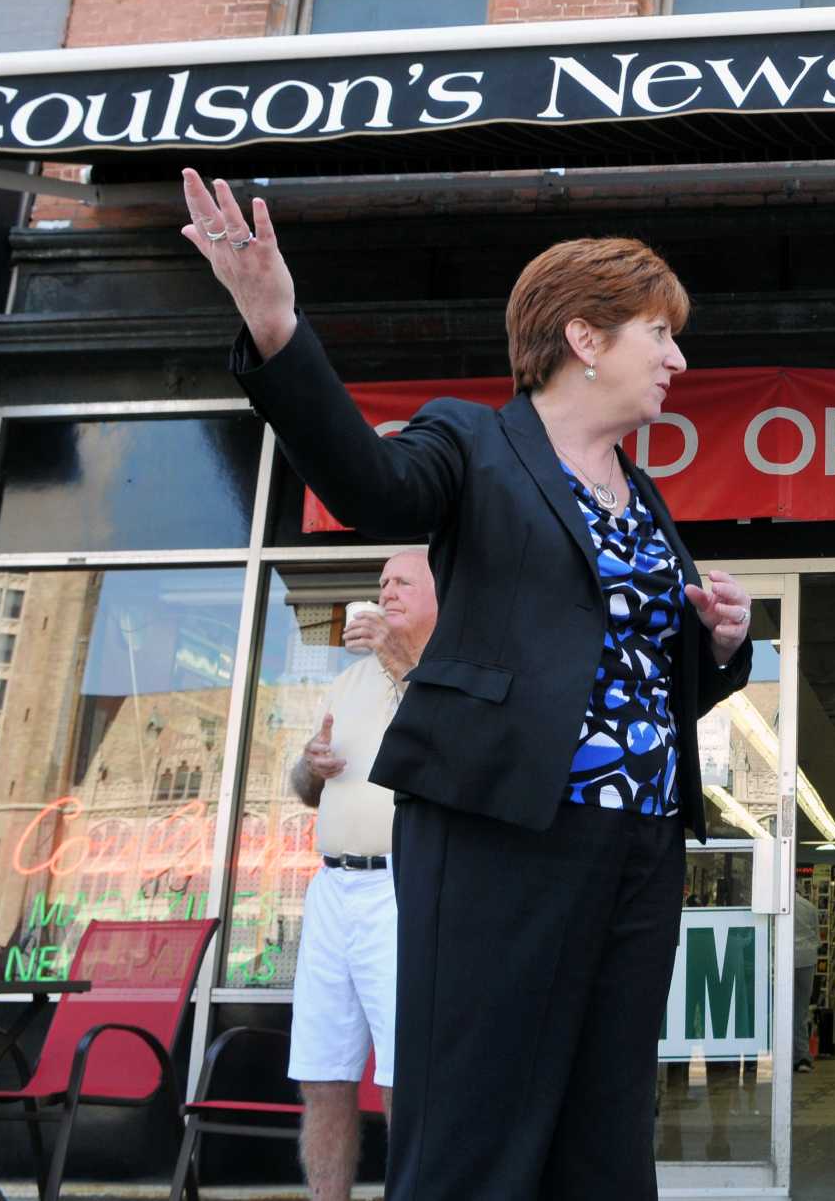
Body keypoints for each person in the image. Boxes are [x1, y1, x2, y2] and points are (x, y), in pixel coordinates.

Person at [178, 170, 755, 1199]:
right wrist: (276, 327)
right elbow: (368, 486)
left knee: (606, 1128)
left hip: (637, 840)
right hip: (504, 829)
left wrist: (715, 646)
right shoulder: (474, 441)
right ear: (584, 338)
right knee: (478, 1123)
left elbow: (645, 682)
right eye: (658, 334)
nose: (677, 357)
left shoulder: (644, 495)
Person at [289, 549, 435, 1201]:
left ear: (440, 593)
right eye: (381, 583)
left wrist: (401, 658)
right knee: (322, 1073)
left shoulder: (446, 669)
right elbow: (304, 789)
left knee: (407, 1074)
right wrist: (310, 765)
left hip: (400, 889)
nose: (386, 591)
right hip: (331, 888)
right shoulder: (347, 682)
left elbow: (454, 743)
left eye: (402, 581)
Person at [791, 888, 819, 1073]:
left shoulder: (780, 904)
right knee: (801, 1011)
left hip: (785, 960)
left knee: (781, 1011)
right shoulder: (809, 907)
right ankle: (802, 1057)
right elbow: (816, 935)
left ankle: (784, 1054)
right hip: (807, 961)